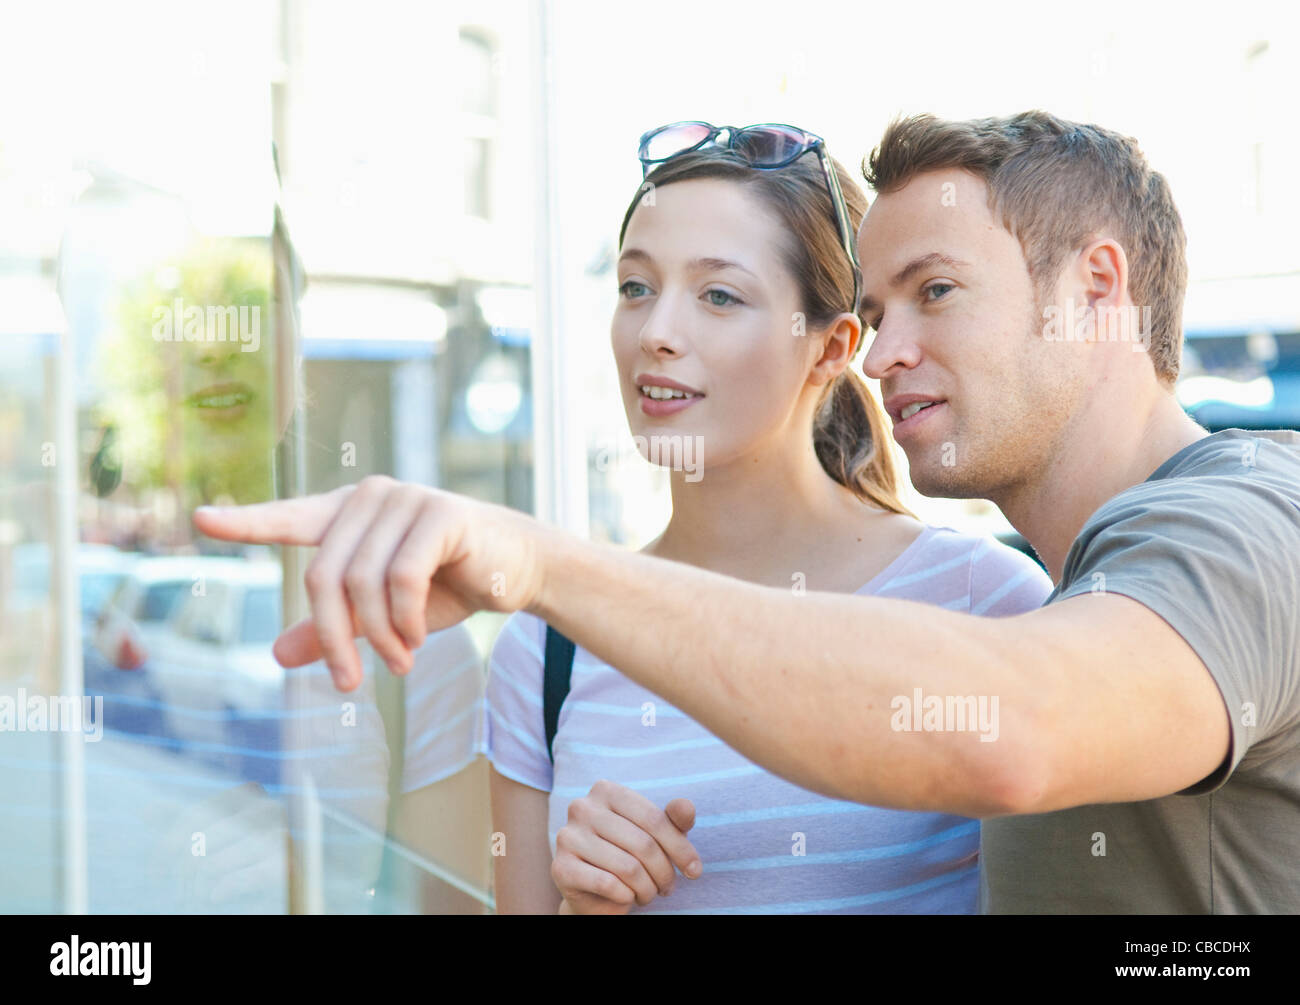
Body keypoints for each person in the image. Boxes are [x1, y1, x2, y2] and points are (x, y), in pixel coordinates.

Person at [194, 110, 1300, 914]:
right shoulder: (1089, 585)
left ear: (1097, 290)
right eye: (876, 309)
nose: (888, 349)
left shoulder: (1240, 525)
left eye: (938, 291)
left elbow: (1006, 728)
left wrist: (536, 562)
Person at [484, 123, 1050, 914]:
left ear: (831, 348)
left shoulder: (986, 603)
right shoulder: (547, 651)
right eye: (635, 286)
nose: (656, 333)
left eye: (719, 294)